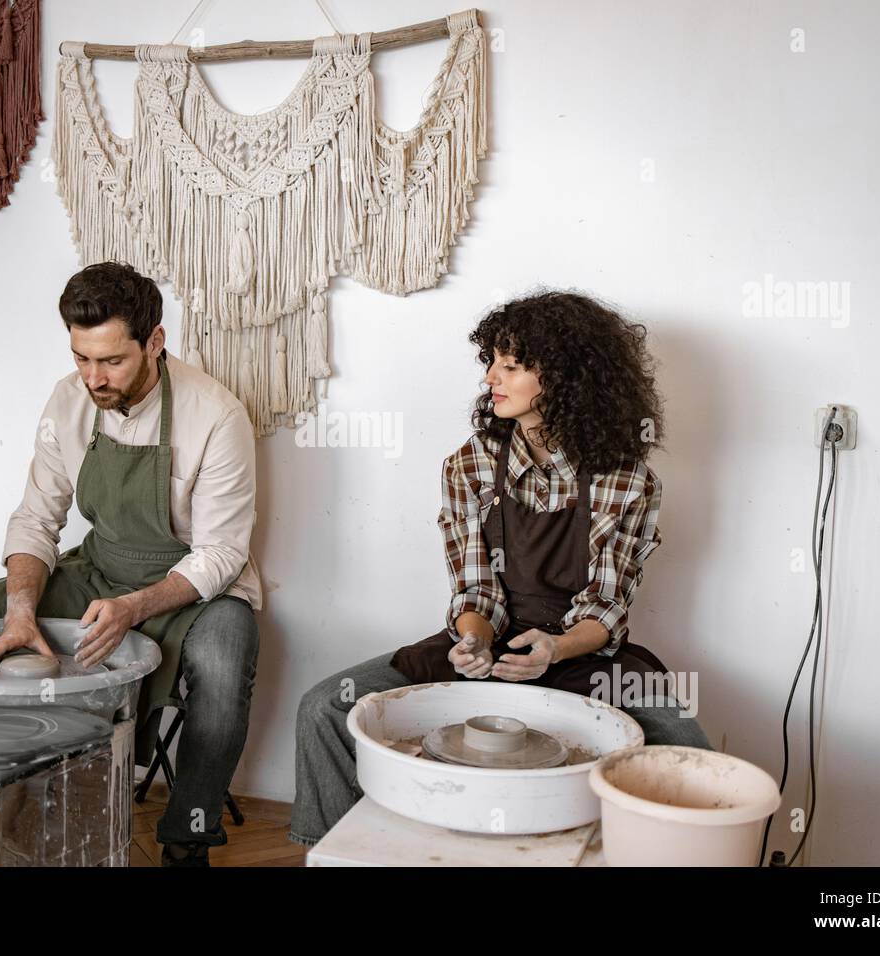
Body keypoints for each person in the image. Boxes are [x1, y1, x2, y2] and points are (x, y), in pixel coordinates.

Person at [289, 290, 712, 848]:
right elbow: (476, 590)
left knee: (688, 747)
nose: (491, 377)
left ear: (565, 377)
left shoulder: (624, 479)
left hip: (580, 652)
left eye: (511, 365)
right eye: (491, 362)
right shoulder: (472, 463)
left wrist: (554, 650)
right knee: (325, 706)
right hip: (489, 639)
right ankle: (338, 857)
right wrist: (472, 642)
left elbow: (605, 609)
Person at [0, 261, 261, 867]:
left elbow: (222, 553)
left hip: (193, 587)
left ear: (155, 342)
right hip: (100, 570)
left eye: (112, 361)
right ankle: (8, 795)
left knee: (225, 656)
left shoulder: (217, 415)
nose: (94, 378)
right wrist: (21, 610)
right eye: (82, 358)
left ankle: (187, 836)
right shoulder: (68, 399)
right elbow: (36, 519)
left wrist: (136, 608)